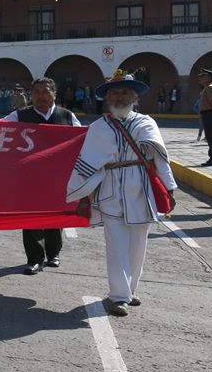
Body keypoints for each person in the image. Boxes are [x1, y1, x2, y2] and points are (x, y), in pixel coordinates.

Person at [66, 71, 177, 316]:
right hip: (111, 191)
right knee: (116, 245)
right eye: (114, 93)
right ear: (107, 98)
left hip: (140, 190)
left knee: (138, 244)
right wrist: (80, 191)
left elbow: (160, 157)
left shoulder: (146, 123)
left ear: (134, 96)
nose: (119, 97)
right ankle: (118, 296)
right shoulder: (98, 127)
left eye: (124, 92)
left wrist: (169, 188)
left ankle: (130, 290)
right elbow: (87, 161)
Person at [3, 77, 81, 275]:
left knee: (56, 216)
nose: (41, 96)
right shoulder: (19, 116)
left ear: (54, 94)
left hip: (58, 179)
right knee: (30, 218)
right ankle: (35, 259)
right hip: (29, 179)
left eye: (45, 91)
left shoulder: (67, 116)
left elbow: (84, 139)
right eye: (36, 92)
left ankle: (53, 253)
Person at [197, 68, 212, 166]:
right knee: (210, 137)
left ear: (209, 77)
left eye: (202, 76)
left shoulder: (210, 88)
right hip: (208, 115)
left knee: (211, 137)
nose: (200, 78)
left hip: (210, 115)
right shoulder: (207, 88)